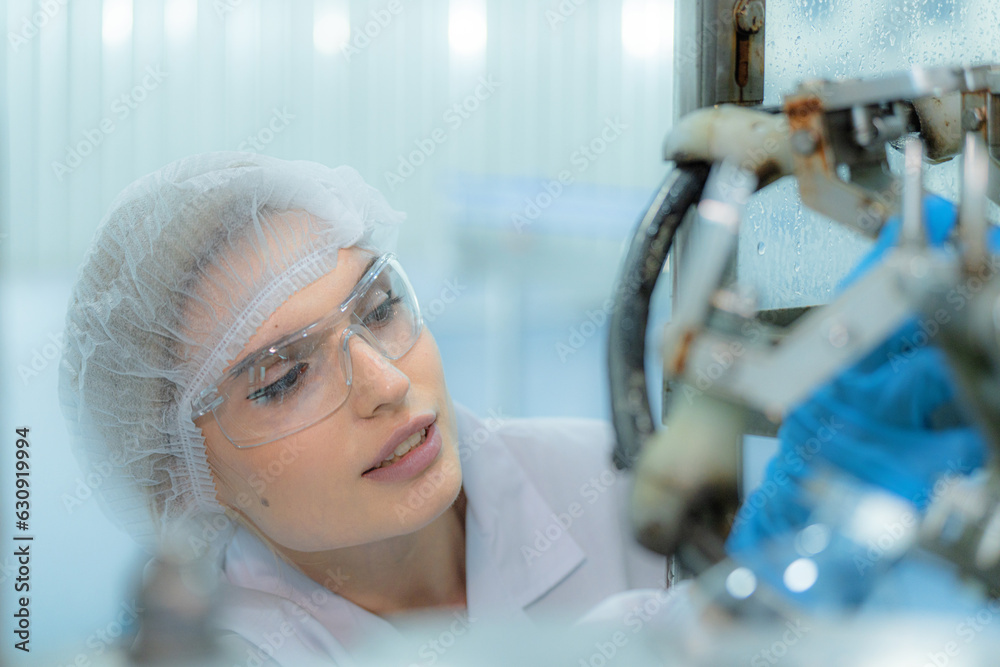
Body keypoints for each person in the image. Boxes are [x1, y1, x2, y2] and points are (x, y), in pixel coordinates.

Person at [57, 152, 667, 665]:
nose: (387, 382)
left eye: (379, 310)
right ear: (185, 475)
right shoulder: (222, 649)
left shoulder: (622, 483)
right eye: (286, 378)